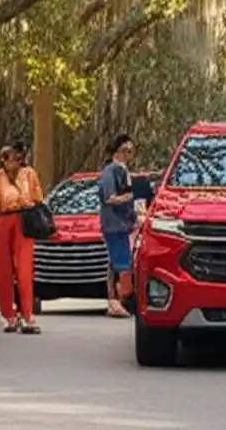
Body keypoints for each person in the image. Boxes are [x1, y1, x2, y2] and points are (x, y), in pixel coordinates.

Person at [0, 145, 45, 334]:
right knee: (3, 269)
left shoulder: (29, 175)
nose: (17, 162)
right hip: (4, 220)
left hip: (24, 220)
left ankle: (26, 314)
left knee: (24, 269)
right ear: (4, 160)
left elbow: (38, 198)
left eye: (19, 158)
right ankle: (8, 315)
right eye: (12, 158)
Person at [98, 133, 138, 318]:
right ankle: (114, 301)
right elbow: (110, 197)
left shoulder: (123, 171)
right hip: (113, 222)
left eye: (131, 151)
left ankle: (119, 299)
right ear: (117, 152)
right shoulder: (110, 171)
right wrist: (127, 198)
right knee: (117, 262)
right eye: (125, 150)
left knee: (122, 261)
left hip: (123, 223)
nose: (128, 154)